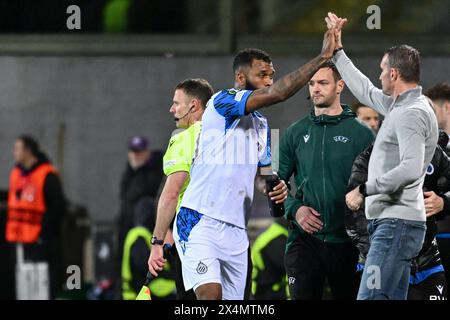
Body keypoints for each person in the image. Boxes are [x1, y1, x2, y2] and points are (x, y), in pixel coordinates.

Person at [149, 28, 339, 300]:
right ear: (240, 77)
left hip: (237, 230)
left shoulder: (262, 125)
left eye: (271, 75)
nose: (269, 80)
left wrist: (276, 187)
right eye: (262, 74)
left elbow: (264, 175)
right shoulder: (221, 102)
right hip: (199, 219)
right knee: (210, 295)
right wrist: (322, 58)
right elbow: (278, 94)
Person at [326, 12, 439, 299]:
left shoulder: (410, 113)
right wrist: (337, 52)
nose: (378, 75)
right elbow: (365, 89)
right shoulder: (402, 106)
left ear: (394, 74)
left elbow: (411, 169)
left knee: (371, 297)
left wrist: (364, 189)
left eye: (381, 70)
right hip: (394, 224)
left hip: (395, 224)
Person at [278, 62, 374, 300]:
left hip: (349, 243)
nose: (315, 89)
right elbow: (273, 182)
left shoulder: (362, 133)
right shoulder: (294, 132)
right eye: (311, 84)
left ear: (340, 85)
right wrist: (295, 209)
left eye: (323, 83)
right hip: (304, 241)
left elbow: (377, 184)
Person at [345, 130, 450, 300]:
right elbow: (354, 215)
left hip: (427, 261)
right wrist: (379, 255)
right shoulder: (368, 158)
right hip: (379, 262)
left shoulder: (433, 151)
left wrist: (444, 202)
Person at [148, 78, 214, 300]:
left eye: (176, 103)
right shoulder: (230, 135)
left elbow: (170, 193)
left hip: (193, 238)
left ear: (194, 106)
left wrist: (157, 240)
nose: (171, 109)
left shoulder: (183, 139)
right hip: (233, 241)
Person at [6, 135, 66, 299]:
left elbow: (58, 208)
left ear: (28, 151)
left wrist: (43, 235)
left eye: (17, 148)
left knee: (40, 287)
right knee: (21, 287)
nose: (14, 152)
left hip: (39, 244)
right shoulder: (16, 173)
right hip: (18, 241)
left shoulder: (46, 175)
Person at [117, 136, 163, 264]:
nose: (135, 155)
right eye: (133, 151)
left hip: (145, 228)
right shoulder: (130, 171)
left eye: (139, 152)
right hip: (127, 224)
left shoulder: (156, 170)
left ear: (147, 152)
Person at [121, 197, 176, 300]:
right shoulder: (139, 234)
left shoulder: (141, 234)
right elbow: (144, 265)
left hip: (144, 290)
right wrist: (170, 275)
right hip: (141, 292)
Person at [425, 82, 450, 285]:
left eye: (430, 109)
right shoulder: (429, 147)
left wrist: (444, 202)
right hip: (433, 240)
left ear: (447, 108)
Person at [251, 218, 288, 300]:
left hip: (266, 290)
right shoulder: (278, 239)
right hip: (267, 292)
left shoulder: (275, 234)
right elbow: (292, 268)